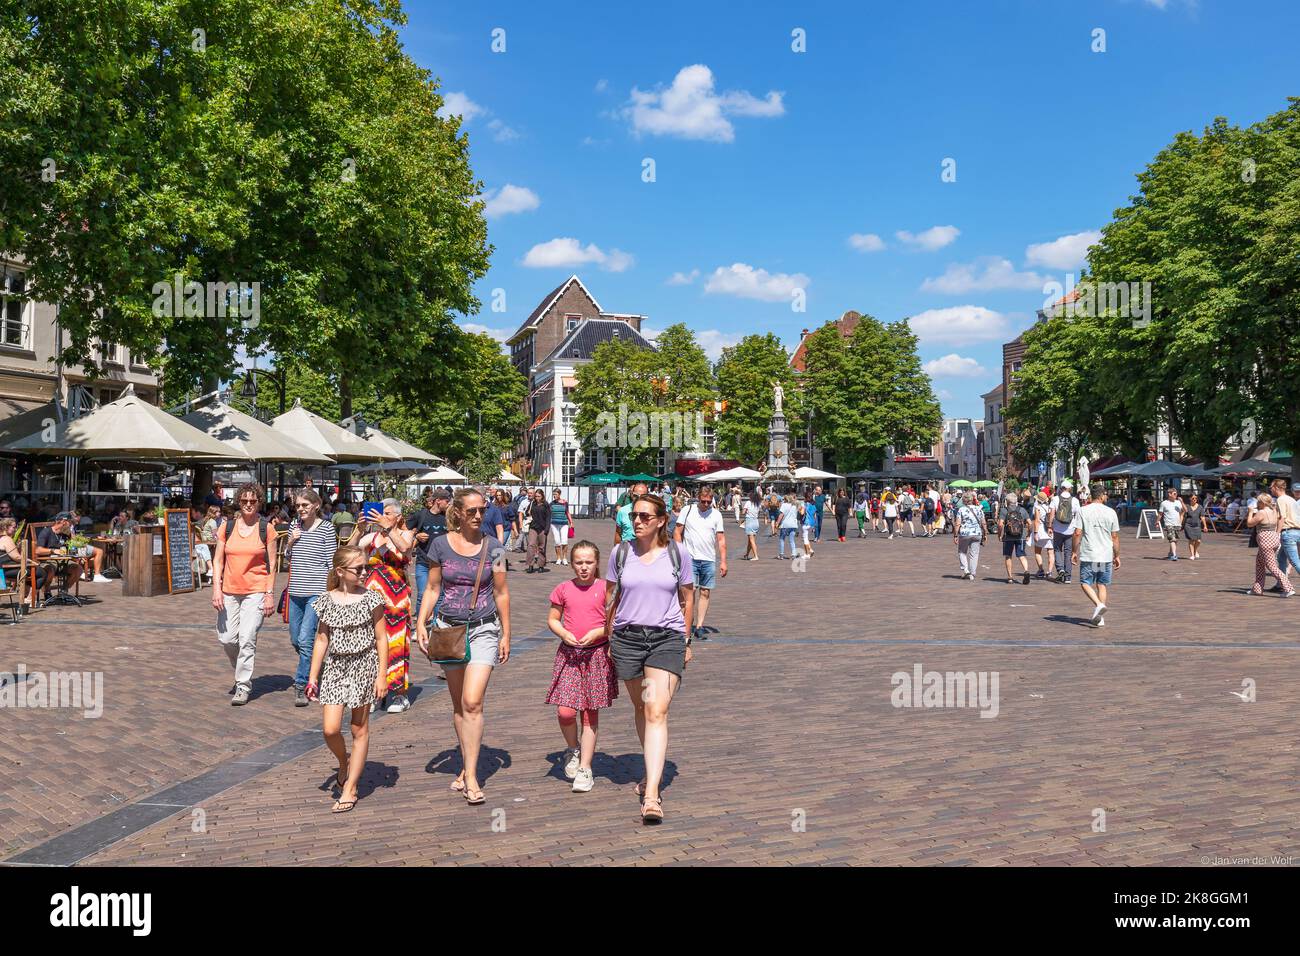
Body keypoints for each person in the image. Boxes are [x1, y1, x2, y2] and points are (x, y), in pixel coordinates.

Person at [415, 489, 511, 806]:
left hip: (484, 628)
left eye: (482, 510)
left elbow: (501, 592)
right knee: (459, 706)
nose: (478, 516)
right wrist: (421, 622)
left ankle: (471, 775)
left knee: (472, 701)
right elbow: (431, 587)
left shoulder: (494, 547)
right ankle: (465, 763)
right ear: (457, 512)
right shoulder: (440, 545)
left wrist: (506, 634)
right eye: (472, 511)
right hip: (449, 630)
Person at [606, 493, 693, 824]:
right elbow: (610, 595)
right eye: (634, 516)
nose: (637, 521)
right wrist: (605, 634)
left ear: (660, 521)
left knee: (657, 709)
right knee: (642, 708)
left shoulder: (677, 554)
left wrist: (685, 639)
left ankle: (652, 794)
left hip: (665, 639)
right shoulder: (620, 553)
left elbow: (687, 595)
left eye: (644, 516)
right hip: (628, 639)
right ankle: (649, 769)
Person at [304, 546, 388, 813]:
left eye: (365, 567)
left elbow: (381, 638)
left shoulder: (372, 598)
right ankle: (344, 761)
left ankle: (350, 787)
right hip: (336, 666)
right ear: (340, 571)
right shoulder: (326, 600)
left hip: (364, 664)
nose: (364, 572)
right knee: (330, 729)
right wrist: (313, 676)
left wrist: (382, 675)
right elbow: (321, 639)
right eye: (358, 569)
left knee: (358, 729)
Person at [546, 540, 617, 794]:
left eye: (589, 562)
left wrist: (600, 632)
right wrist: (563, 632)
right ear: (572, 563)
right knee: (565, 711)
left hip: (596, 655)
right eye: (578, 562)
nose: (584, 567)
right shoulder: (564, 588)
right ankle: (573, 749)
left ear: (597, 563)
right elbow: (553, 619)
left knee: (589, 713)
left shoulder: (606, 588)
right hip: (569, 655)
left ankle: (586, 767)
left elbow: (615, 620)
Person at [210, 483, 278, 705]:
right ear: (238, 502)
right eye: (244, 501)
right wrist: (216, 589)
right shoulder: (227, 527)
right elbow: (218, 560)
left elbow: (273, 564)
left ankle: (243, 685)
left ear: (259, 502)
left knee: (247, 638)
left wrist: (269, 594)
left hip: (256, 591)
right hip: (229, 590)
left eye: (253, 501)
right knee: (227, 639)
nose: (248, 505)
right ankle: (241, 669)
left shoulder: (265, 528)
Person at [358, 499, 415, 714]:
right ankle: (376, 690)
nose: (382, 516)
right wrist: (360, 528)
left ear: (398, 517)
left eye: (387, 513)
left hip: (396, 598)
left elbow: (404, 548)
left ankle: (399, 693)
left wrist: (388, 528)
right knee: (372, 644)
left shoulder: (407, 534)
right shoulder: (372, 537)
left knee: (396, 643)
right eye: (382, 512)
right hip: (372, 598)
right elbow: (352, 550)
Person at [285, 490, 338, 707]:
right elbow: (288, 558)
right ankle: (315, 663)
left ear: (316, 505)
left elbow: (332, 563)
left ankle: (302, 684)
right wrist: (290, 542)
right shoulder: (294, 527)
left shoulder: (326, 528)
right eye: (298, 505)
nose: (301, 509)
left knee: (306, 639)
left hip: (316, 591)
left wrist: (333, 592)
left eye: (305, 504)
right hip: (295, 590)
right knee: (296, 639)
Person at [674, 483, 726, 641]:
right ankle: (684, 624)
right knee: (689, 592)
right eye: (703, 501)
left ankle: (700, 626)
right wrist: (681, 551)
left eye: (709, 502)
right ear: (698, 498)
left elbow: (721, 539)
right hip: (690, 557)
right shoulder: (687, 510)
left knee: (705, 592)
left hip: (708, 558)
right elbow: (677, 531)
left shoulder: (716, 515)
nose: (706, 504)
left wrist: (723, 561)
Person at [1073, 483, 1121, 627]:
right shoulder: (1111, 512)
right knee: (1101, 584)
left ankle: (1098, 605)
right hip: (1105, 554)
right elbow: (1115, 537)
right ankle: (1100, 616)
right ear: (1101, 496)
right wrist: (1116, 555)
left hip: (1090, 554)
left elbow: (1077, 533)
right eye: (1105, 494)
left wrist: (1074, 551)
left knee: (1085, 582)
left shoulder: (1083, 511)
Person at [408, 487, 450, 621]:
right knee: (421, 594)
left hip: (441, 563)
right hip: (423, 561)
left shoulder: (448, 517)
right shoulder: (421, 515)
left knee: (440, 595)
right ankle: (421, 624)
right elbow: (404, 528)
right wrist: (416, 535)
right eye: (447, 501)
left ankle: (437, 625)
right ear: (438, 501)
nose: (448, 503)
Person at [1247, 493, 1294, 597]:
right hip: (1273, 537)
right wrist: (1277, 532)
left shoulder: (1261, 512)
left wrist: (1250, 512)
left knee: (1272, 566)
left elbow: (1249, 523)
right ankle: (1257, 589)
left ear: (1263, 503)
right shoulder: (1274, 510)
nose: (1257, 503)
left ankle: (1288, 588)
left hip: (1265, 540)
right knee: (1259, 563)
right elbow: (1281, 519)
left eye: (1259, 502)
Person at [1048, 482, 1082, 584]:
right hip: (1070, 530)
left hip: (1058, 529)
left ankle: (1060, 570)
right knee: (1068, 552)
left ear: (1061, 488)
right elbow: (1078, 515)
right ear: (1070, 489)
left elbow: (1052, 513)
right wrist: (1077, 528)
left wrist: (1050, 526)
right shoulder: (1075, 500)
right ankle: (1068, 577)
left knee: (1057, 550)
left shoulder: (1055, 499)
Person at [1269, 478, 1299, 586]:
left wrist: (1276, 534)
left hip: (1288, 532)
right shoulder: (1291, 499)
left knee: (1295, 561)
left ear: (1277, 487)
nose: (1270, 489)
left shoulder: (1281, 499)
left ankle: (1282, 584)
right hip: (1296, 531)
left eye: (1271, 487)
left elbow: (1282, 518)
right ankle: (1281, 584)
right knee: (1281, 558)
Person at [952, 491, 987, 581]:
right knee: (974, 554)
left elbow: (957, 524)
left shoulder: (961, 510)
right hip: (977, 533)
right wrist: (985, 533)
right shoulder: (979, 509)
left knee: (962, 552)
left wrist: (955, 535)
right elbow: (983, 523)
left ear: (964, 500)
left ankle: (966, 570)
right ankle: (973, 573)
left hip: (965, 533)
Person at [999, 493, 1032, 584]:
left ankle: (1010, 577)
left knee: (1008, 556)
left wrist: (999, 535)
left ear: (1007, 501)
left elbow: (1000, 524)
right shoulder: (1022, 510)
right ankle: (1026, 570)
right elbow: (1030, 523)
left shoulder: (1004, 510)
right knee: (1021, 555)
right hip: (1021, 536)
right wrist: (1029, 534)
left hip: (1008, 536)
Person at [614, 481, 649, 545]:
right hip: (627, 549)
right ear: (631, 494)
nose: (638, 498)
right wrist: (617, 551)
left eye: (642, 496)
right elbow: (618, 533)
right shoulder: (622, 511)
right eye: (636, 495)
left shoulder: (651, 511)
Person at [1157, 486, 1185, 561]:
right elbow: (1160, 513)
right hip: (1169, 524)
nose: (1176, 495)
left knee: (1175, 539)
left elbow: (1185, 510)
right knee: (1172, 539)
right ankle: (1174, 555)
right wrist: (1157, 521)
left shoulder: (1178, 502)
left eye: (1176, 494)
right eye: (1174, 494)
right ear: (1169, 494)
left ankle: (1171, 553)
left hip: (1177, 523)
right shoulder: (1164, 503)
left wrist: (1182, 502)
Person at [526, 487, 551, 573]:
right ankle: (530, 565)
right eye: (536, 496)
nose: (537, 498)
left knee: (542, 547)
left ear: (542, 496)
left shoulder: (546, 505)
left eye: (539, 496)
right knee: (531, 545)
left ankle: (541, 565)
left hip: (543, 528)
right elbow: (526, 512)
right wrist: (528, 512)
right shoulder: (533, 503)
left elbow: (548, 517)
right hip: (533, 527)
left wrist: (547, 529)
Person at [1030, 491, 1055, 579]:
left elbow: (1037, 521)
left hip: (1040, 530)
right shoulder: (1050, 507)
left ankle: (1041, 570)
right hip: (1049, 530)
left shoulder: (1038, 507)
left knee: (1037, 552)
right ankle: (1050, 571)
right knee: (1050, 552)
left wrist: (1035, 533)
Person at [550, 488, 573, 565]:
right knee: (557, 542)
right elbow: (548, 513)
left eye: (556, 494)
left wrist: (571, 522)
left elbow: (567, 512)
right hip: (554, 524)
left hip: (564, 523)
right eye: (553, 494)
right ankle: (558, 558)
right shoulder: (552, 503)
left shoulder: (565, 502)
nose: (554, 496)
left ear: (559, 494)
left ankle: (564, 558)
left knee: (564, 541)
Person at [777, 493, 800, 559]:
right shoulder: (795, 505)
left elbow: (781, 515)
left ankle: (781, 554)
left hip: (785, 525)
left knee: (782, 539)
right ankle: (793, 554)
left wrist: (777, 523)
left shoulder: (784, 505)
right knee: (792, 540)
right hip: (793, 525)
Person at [1184, 493, 1205, 561]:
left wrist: (1205, 526)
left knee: (1198, 541)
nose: (1195, 500)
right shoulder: (1187, 506)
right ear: (1190, 499)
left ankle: (1195, 551)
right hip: (1188, 525)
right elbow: (1182, 514)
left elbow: (1202, 517)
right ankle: (1192, 555)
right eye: (1193, 498)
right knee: (1191, 540)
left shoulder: (1200, 507)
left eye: (1196, 498)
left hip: (1197, 525)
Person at [742, 490, 762, 559]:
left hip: (749, 521)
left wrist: (745, 510)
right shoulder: (758, 504)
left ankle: (756, 556)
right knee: (750, 540)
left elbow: (743, 512)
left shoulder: (748, 502)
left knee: (752, 540)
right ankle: (747, 554)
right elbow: (759, 513)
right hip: (756, 521)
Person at [801, 491, 817, 557]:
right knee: (806, 538)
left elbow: (802, 513)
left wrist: (800, 510)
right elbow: (815, 515)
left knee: (805, 539)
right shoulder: (813, 504)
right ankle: (810, 550)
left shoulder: (804, 504)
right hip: (812, 523)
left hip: (806, 522)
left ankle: (807, 554)